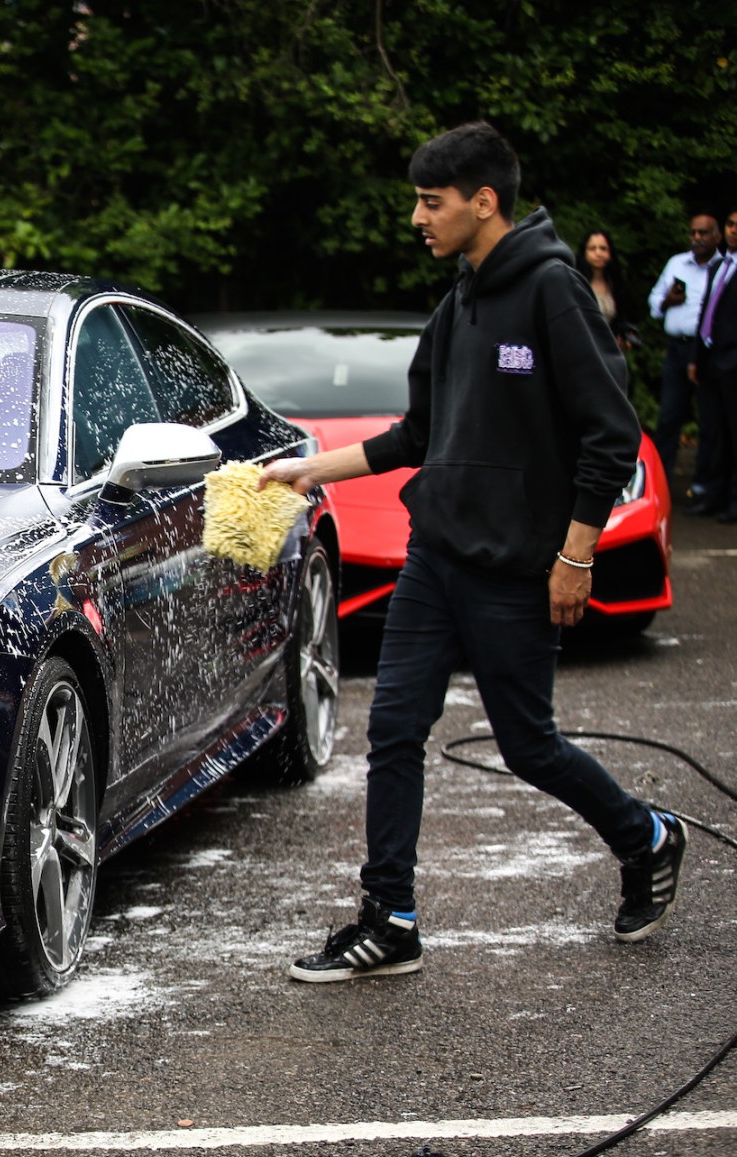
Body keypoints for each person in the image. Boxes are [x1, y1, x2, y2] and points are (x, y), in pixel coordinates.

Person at [261, 122, 686, 982]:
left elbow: (610, 436)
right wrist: (309, 472)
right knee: (392, 729)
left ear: (481, 201)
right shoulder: (458, 301)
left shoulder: (551, 291)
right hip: (436, 554)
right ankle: (390, 919)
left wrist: (574, 558)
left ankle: (645, 835)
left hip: (516, 567)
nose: (417, 217)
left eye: (431, 201)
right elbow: (417, 434)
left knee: (527, 744)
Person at [646, 214, 724, 488]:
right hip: (676, 348)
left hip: (705, 351)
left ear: (717, 236)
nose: (697, 238)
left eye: (704, 233)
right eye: (693, 232)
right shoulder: (677, 263)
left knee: (709, 418)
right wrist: (667, 300)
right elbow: (653, 302)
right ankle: (660, 482)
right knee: (669, 415)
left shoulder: (724, 268)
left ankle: (702, 483)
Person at [687, 210, 737, 523]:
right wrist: (696, 356)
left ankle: (734, 499)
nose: (735, 231)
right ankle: (713, 495)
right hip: (710, 360)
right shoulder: (720, 264)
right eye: (732, 224)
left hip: (733, 362)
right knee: (714, 432)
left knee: (734, 434)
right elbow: (708, 309)